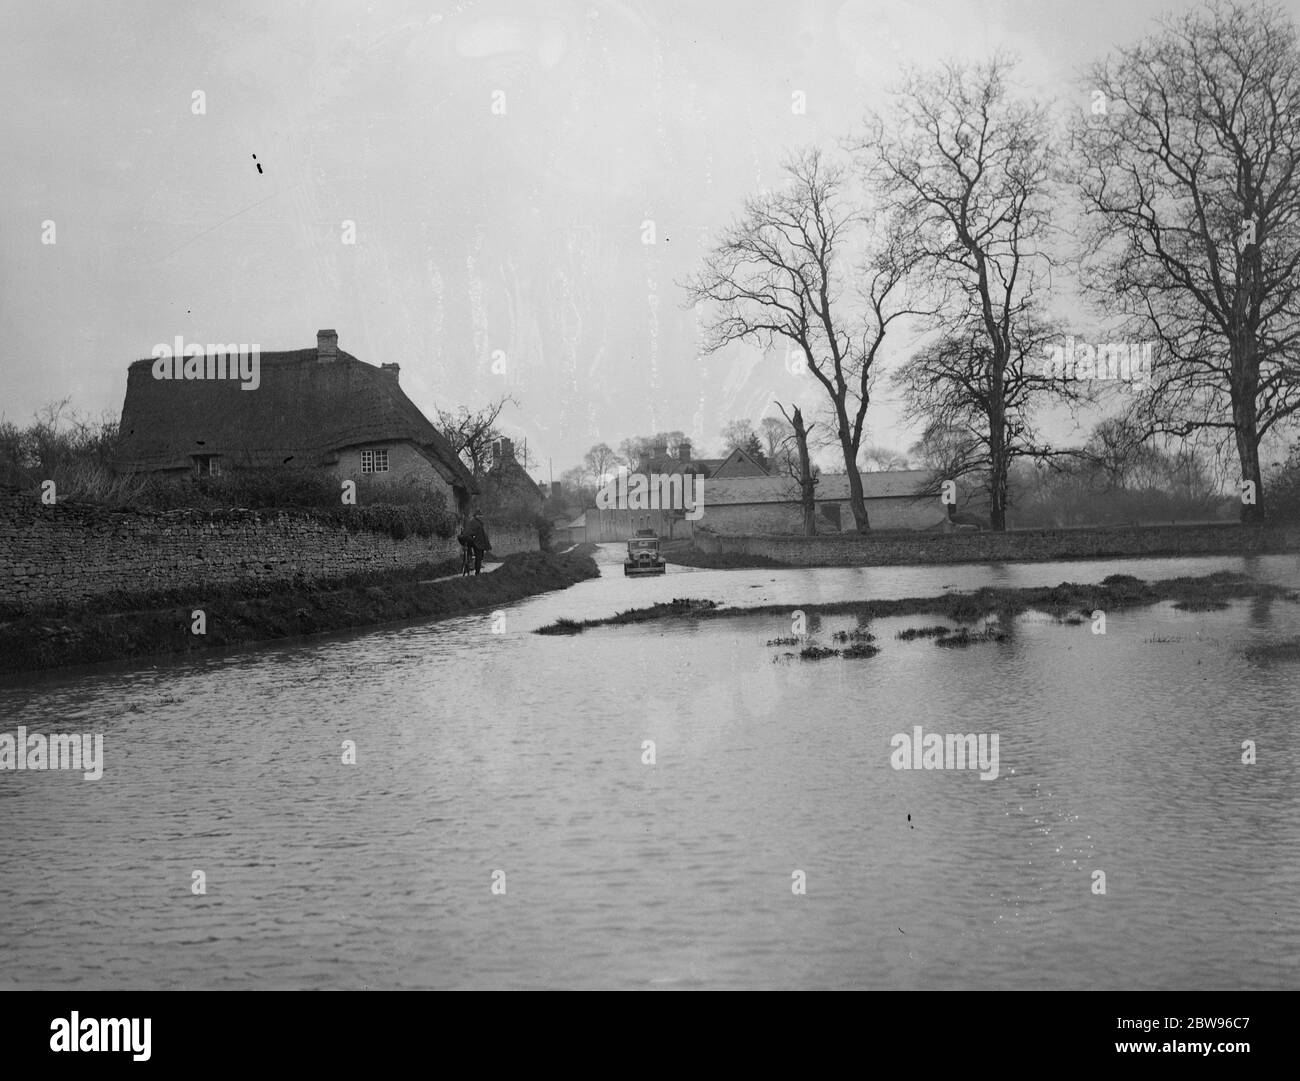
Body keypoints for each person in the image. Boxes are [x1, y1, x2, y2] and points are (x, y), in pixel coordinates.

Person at [459, 510, 491, 576]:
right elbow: (471, 533)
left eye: (481, 516)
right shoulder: (475, 522)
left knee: (475, 555)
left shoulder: (475, 522)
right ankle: (476, 572)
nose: (481, 517)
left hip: (471, 540)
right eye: (480, 516)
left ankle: (470, 562)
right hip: (475, 541)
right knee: (478, 557)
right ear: (476, 516)